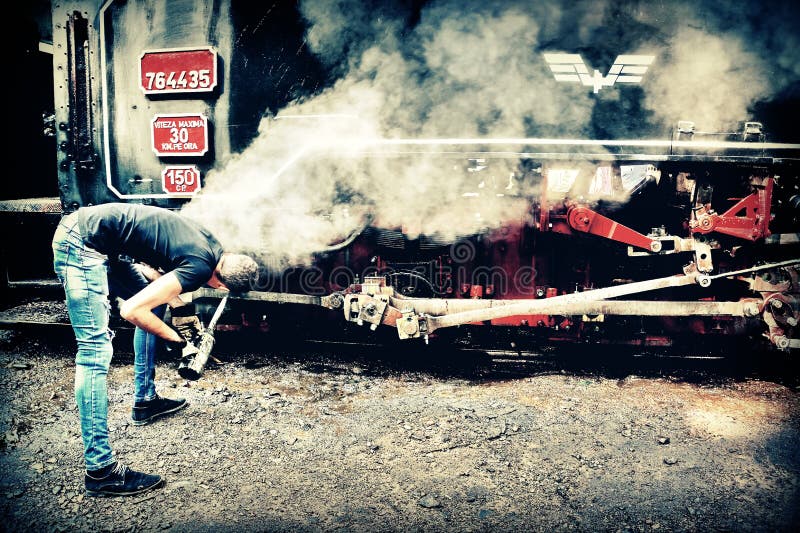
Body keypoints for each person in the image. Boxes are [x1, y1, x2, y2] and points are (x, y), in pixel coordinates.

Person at [51, 202, 258, 497]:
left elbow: (150, 272)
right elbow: (132, 311)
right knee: (94, 353)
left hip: (99, 239)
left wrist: (182, 309)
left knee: (157, 304)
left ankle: (145, 401)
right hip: (82, 244)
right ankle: (101, 471)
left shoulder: (212, 248)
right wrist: (179, 342)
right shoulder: (200, 268)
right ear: (223, 287)